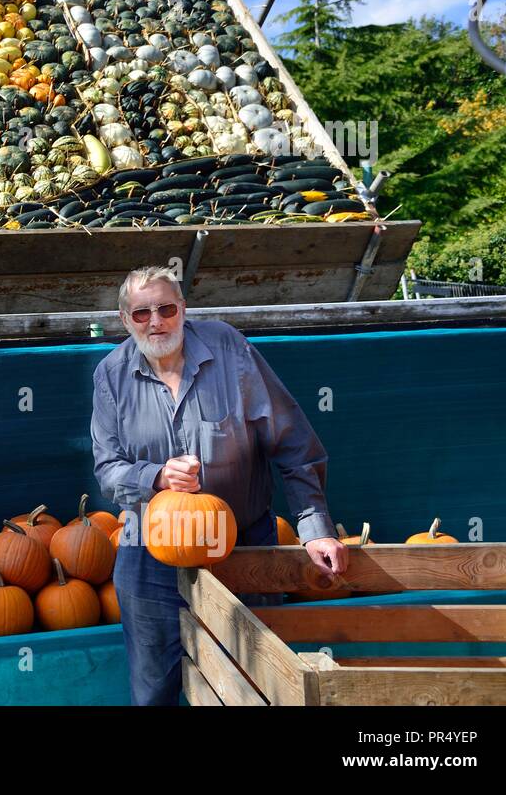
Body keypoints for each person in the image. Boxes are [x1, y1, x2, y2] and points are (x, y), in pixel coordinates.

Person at [90, 266, 348, 705]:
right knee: (155, 688)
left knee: (257, 679)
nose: (156, 322)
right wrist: (154, 476)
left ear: (183, 310)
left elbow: (294, 442)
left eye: (167, 308)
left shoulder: (229, 349)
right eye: (141, 313)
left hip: (241, 543)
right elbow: (108, 469)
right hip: (150, 551)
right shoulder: (111, 375)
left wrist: (315, 527)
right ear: (123, 319)